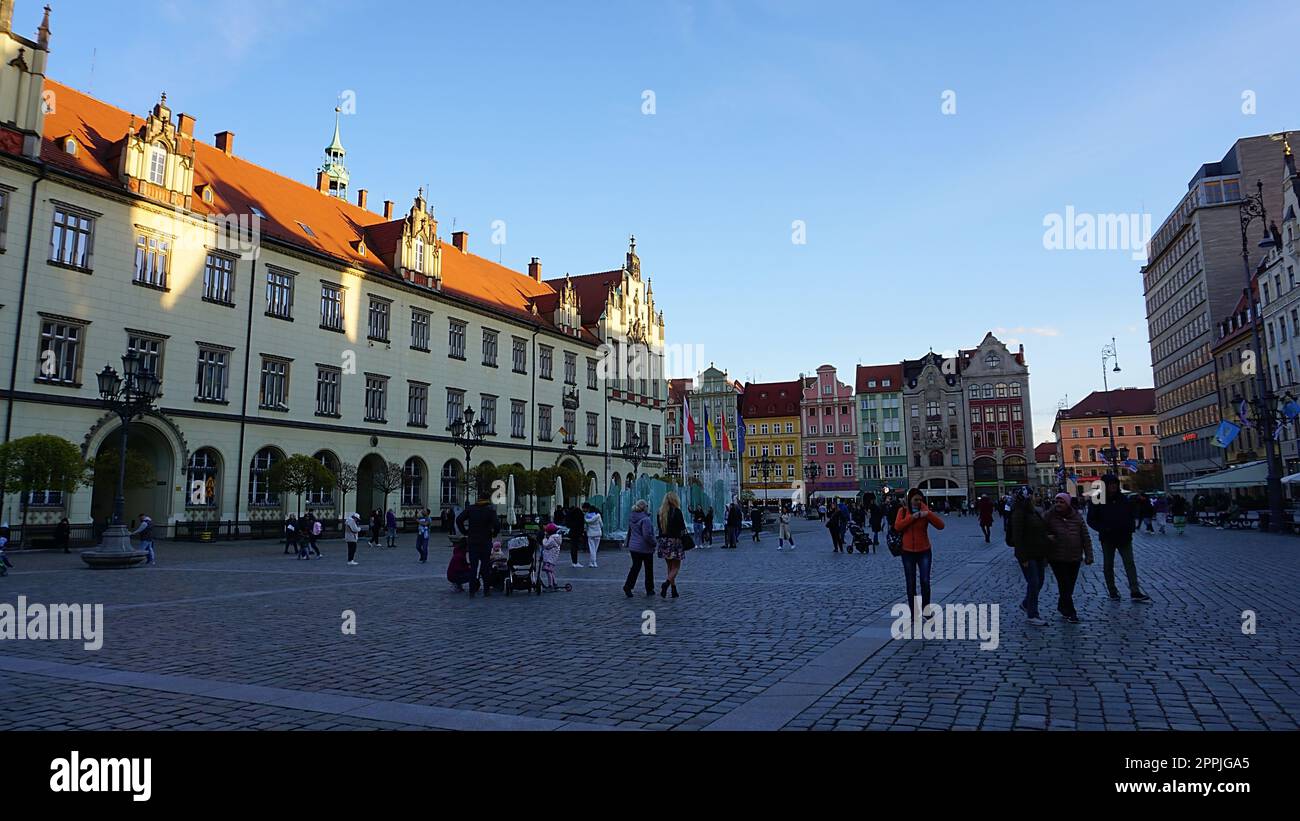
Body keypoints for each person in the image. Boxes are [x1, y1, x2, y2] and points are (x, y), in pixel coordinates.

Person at [1086, 474, 1151, 603]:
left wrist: (1131, 528)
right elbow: (1091, 519)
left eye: (1115, 484)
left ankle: (1135, 591)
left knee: (1130, 563)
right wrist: (1103, 528)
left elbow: (1131, 514)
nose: (1113, 486)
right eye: (1110, 484)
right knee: (1108, 565)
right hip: (1107, 537)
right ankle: (1112, 591)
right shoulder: (1098, 499)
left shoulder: (1123, 499)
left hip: (1124, 536)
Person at [1044, 492, 1093, 624]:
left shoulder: (1077, 516)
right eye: (1057, 502)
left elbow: (1085, 536)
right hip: (1056, 557)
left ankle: (1062, 606)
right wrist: (1047, 537)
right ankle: (1071, 612)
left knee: (1069, 585)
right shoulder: (1049, 516)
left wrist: (1089, 555)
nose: (1058, 504)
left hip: (1074, 557)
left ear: (1068, 503)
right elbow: (1041, 532)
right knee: (1064, 584)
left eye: (1062, 502)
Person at [894, 489, 944, 616]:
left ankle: (926, 610)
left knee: (925, 581)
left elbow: (940, 525)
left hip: (924, 551)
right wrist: (912, 517)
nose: (918, 502)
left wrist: (927, 514)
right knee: (910, 583)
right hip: (907, 552)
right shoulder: (903, 511)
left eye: (920, 500)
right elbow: (898, 526)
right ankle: (914, 612)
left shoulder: (925, 511)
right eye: (915, 499)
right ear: (910, 499)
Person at [1008, 485, 1050, 627]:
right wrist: (1022, 557)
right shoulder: (1018, 513)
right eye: (1033, 495)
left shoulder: (1034, 512)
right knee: (1033, 582)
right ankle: (1032, 614)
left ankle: (1027, 603)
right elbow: (1017, 537)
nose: (1035, 497)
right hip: (1027, 554)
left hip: (1038, 552)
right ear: (1027, 497)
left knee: (1040, 581)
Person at [457, 489, 501, 596]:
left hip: (473, 541)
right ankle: (486, 590)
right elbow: (497, 525)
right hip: (485, 541)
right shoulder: (490, 510)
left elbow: (459, 520)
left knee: (473, 567)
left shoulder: (471, 508)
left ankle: (472, 591)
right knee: (486, 566)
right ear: (488, 499)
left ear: (479, 498)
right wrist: (494, 533)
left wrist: (465, 531)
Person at [656, 491, 688, 597]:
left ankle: (674, 590)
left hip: (663, 541)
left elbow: (659, 528)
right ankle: (666, 584)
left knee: (669, 567)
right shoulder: (677, 511)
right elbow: (682, 527)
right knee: (676, 567)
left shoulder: (660, 512)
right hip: (675, 541)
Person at [624, 499, 657, 597]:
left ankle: (628, 586)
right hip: (645, 548)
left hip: (634, 547)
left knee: (635, 568)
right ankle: (649, 589)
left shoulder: (632, 517)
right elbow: (647, 535)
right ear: (644, 508)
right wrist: (654, 542)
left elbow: (630, 532)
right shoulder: (645, 519)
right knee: (648, 569)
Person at [541, 523, 563, 590]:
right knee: (550, 570)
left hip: (549, 557)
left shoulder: (552, 538)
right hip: (554, 557)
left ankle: (550, 585)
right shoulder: (557, 537)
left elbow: (546, 545)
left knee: (548, 571)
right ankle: (555, 583)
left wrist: (544, 539)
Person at [583, 503, 603, 568]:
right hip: (598, 533)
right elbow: (601, 524)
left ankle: (592, 562)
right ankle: (594, 562)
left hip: (590, 534)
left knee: (592, 549)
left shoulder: (586, 517)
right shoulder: (598, 516)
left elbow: (586, 525)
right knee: (595, 549)